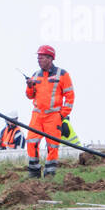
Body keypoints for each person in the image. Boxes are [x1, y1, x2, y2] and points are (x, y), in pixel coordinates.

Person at [25, 44, 75, 178]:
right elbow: (30, 95)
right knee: (31, 142)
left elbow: (70, 97)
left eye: (41, 57)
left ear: (50, 58)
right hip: (37, 115)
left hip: (53, 116)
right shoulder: (36, 75)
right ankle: (34, 173)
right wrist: (30, 86)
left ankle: (49, 175)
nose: (38, 60)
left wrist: (62, 115)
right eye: (38, 57)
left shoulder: (62, 75)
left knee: (52, 146)